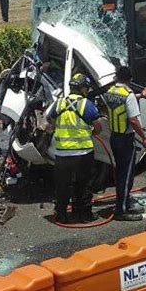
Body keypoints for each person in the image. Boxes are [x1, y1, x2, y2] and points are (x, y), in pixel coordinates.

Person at [48, 72, 102, 223]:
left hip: (62, 153)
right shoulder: (86, 104)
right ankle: (83, 214)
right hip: (82, 152)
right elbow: (98, 126)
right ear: (83, 88)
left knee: (62, 185)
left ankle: (61, 214)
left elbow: (50, 122)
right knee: (83, 184)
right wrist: (90, 131)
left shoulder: (59, 103)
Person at [103, 65, 146, 222]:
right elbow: (133, 119)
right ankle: (121, 210)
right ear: (130, 79)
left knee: (121, 172)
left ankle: (124, 202)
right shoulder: (128, 95)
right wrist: (143, 137)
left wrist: (139, 96)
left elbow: (120, 105)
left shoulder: (111, 92)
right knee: (126, 174)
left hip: (114, 137)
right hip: (125, 139)